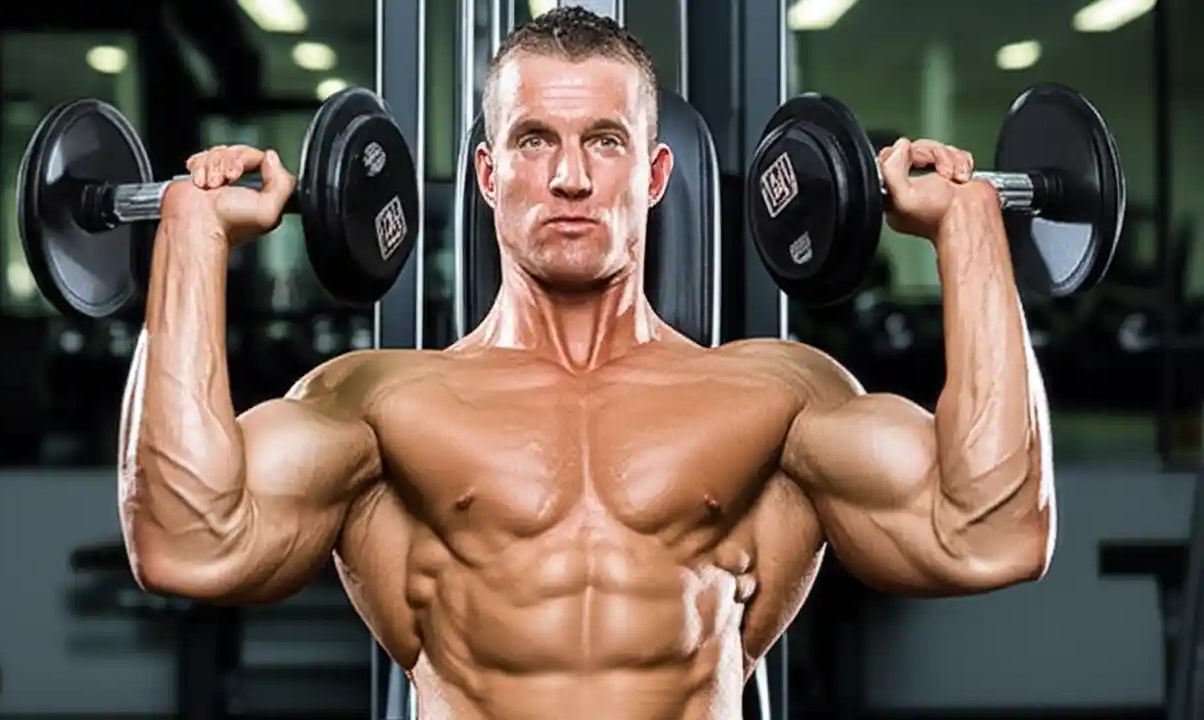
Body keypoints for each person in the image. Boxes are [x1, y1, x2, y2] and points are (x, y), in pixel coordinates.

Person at [117, 7, 1055, 719]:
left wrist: (967, 232)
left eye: (603, 143)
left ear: (652, 174)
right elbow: (188, 542)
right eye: (535, 141)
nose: (570, 177)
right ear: (489, 175)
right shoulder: (380, 404)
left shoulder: (774, 397)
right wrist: (190, 242)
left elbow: (992, 531)